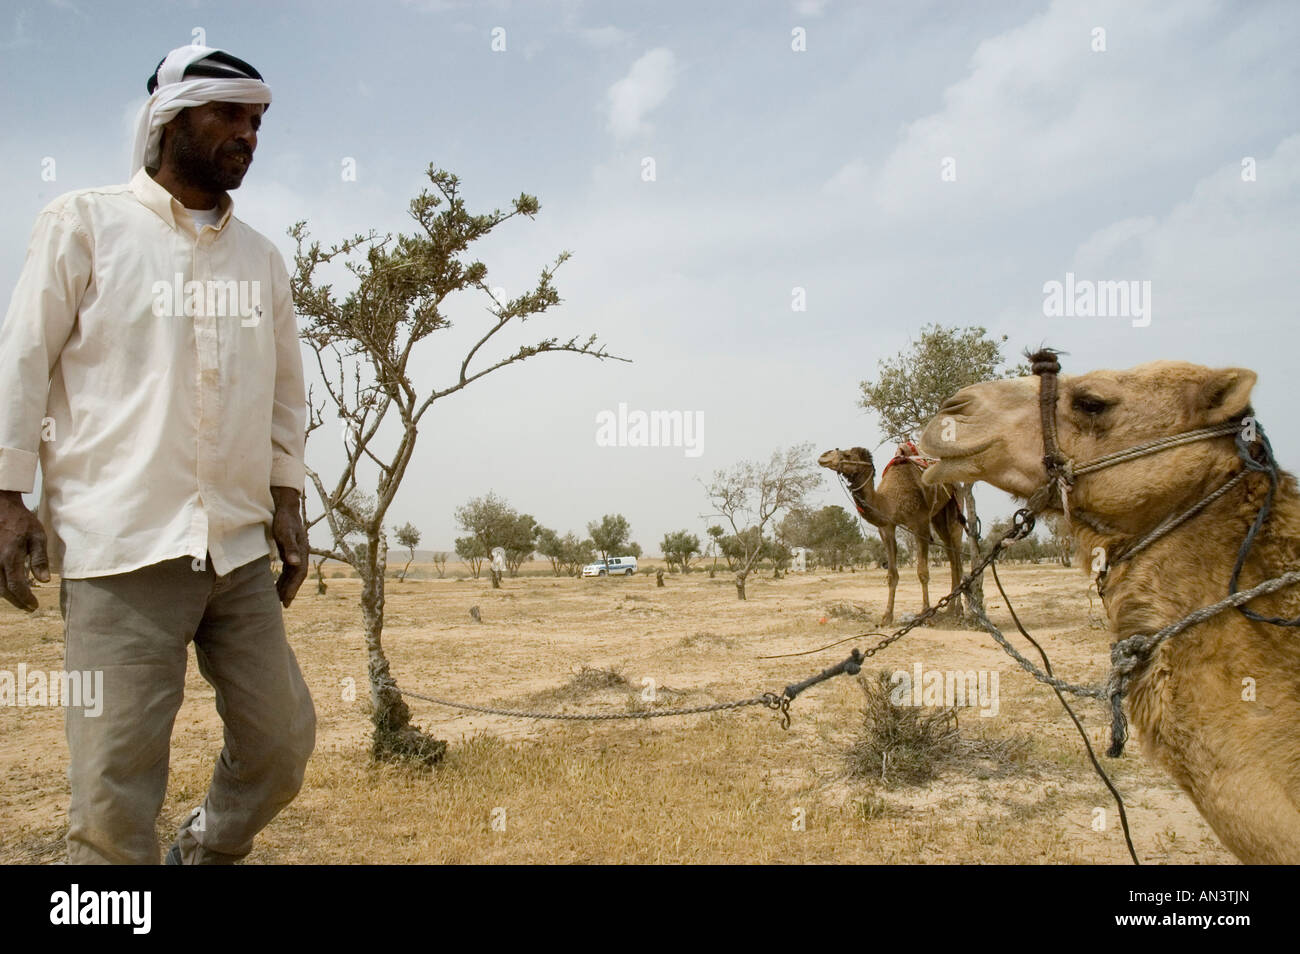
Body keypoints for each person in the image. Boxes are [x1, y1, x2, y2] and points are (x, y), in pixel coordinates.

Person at [0, 45, 316, 864]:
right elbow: (22, 363)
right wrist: (6, 495)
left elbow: (287, 392)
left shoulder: (262, 259)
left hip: (238, 549)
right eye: (230, 116)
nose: (248, 134)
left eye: (257, 121)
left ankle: (202, 852)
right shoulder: (85, 223)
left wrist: (288, 498)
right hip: (121, 550)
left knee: (280, 745)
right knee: (111, 802)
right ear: (171, 120)